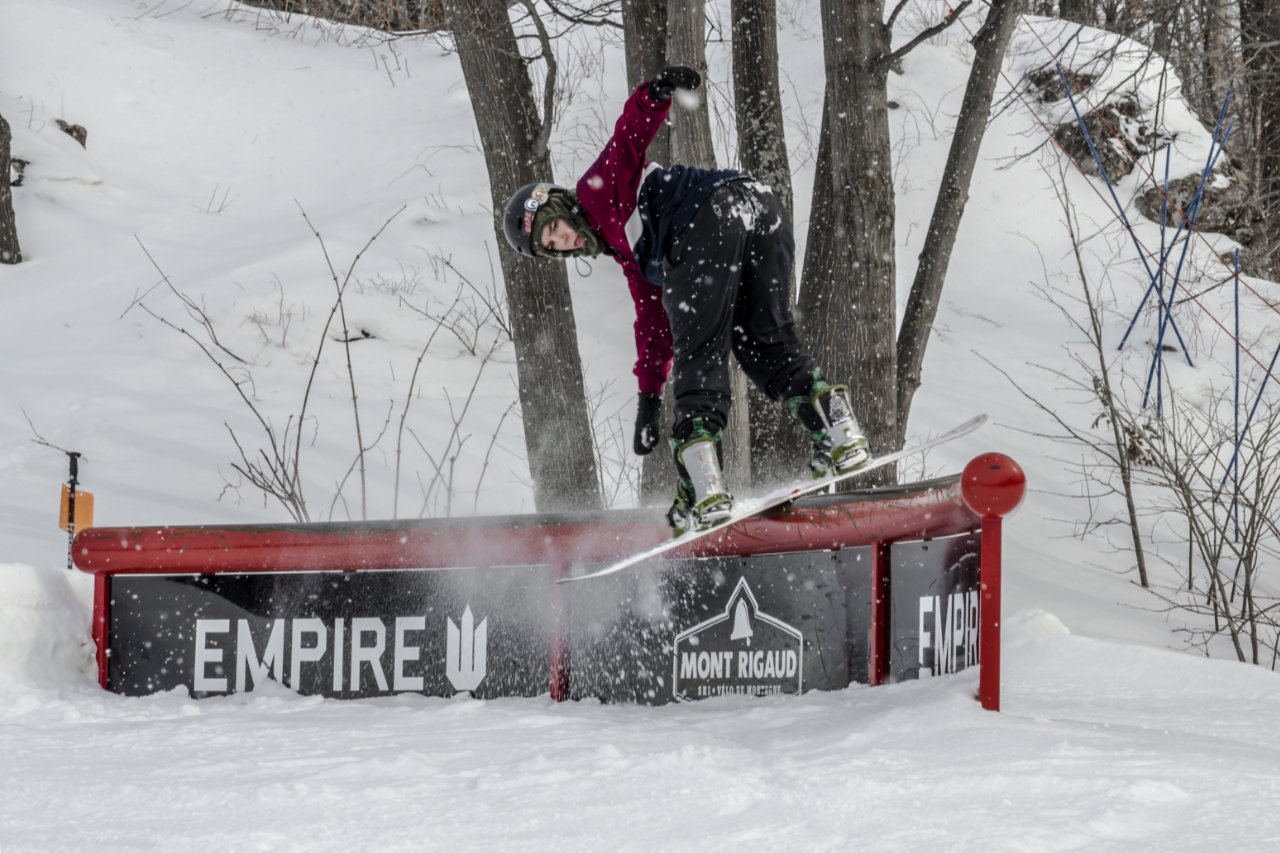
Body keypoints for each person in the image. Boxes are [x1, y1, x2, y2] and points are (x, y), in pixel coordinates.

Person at [501, 65, 869, 534]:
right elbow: (651, 322)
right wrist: (649, 398)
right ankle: (837, 429)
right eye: (551, 248)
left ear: (555, 205)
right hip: (759, 207)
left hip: (708, 218)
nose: (563, 242)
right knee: (763, 344)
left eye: (553, 229)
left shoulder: (599, 190)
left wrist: (654, 93)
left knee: (701, 353)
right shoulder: (627, 248)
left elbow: (628, 135)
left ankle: (703, 484)